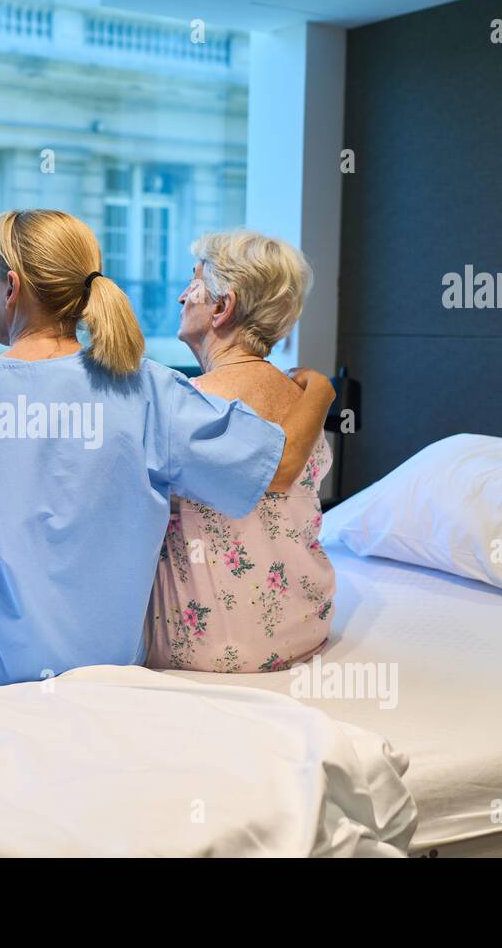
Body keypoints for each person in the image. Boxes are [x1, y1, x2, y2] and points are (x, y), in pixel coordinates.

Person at [0, 210, 335, 685]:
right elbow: (272, 467)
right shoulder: (151, 389)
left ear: (11, 288)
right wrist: (320, 388)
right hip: (108, 658)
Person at [147, 231, 336, 673]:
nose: (180, 297)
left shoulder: (185, 405)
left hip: (212, 643)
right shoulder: (304, 399)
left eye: (192, 283)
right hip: (306, 624)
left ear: (222, 306)